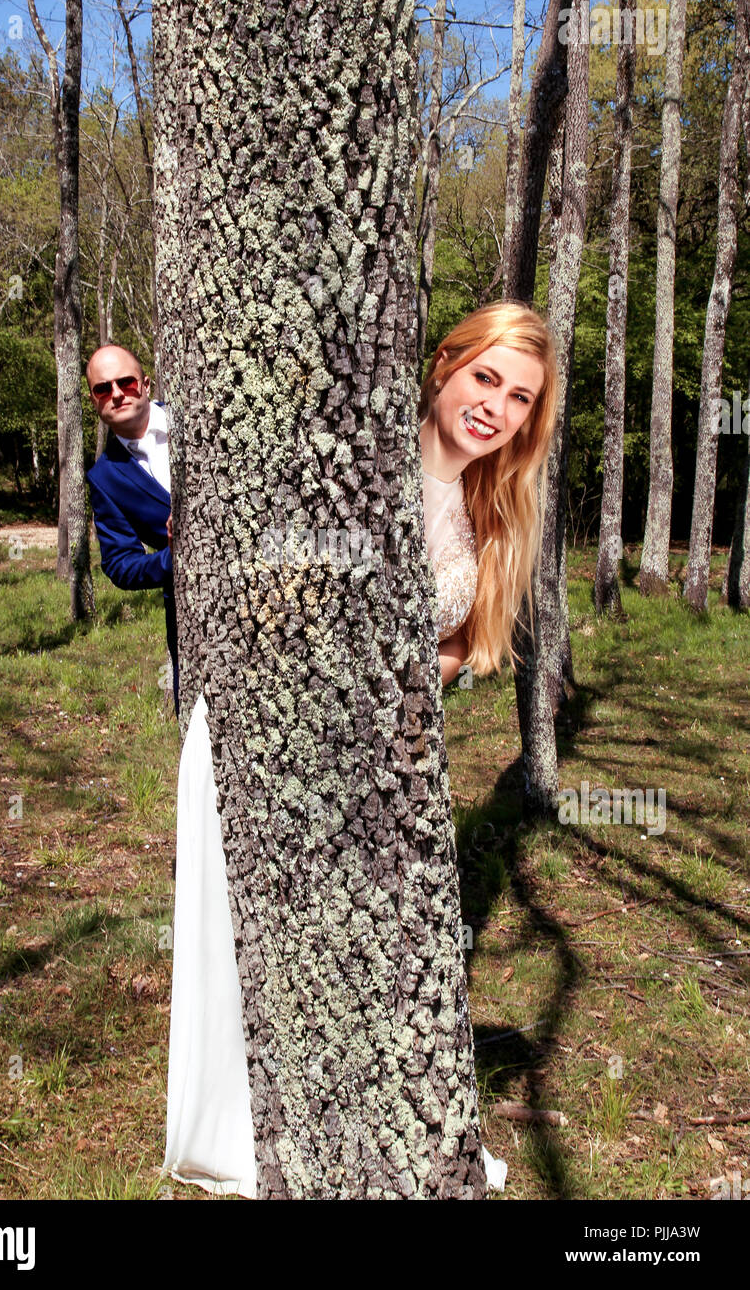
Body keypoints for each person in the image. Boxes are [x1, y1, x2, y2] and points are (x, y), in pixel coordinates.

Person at [162, 300, 558, 1199]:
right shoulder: (360, 457)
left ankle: (349, 1127)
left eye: (521, 397)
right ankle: (240, 1128)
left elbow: (465, 642)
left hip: (383, 770)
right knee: (256, 939)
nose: (495, 405)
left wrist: (413, 701)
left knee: (354, 956)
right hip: (269, 737)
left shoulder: (495, 517)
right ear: (445, 366)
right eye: (485, 377)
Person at [84, 345, 179, 715]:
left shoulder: (198, 418)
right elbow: (121, 564)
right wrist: (174, 559)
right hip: (194, 613)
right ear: (94, 400)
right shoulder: (104, 478)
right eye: (103, 388)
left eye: (125, 382)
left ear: (145, 384)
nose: (117, 394)